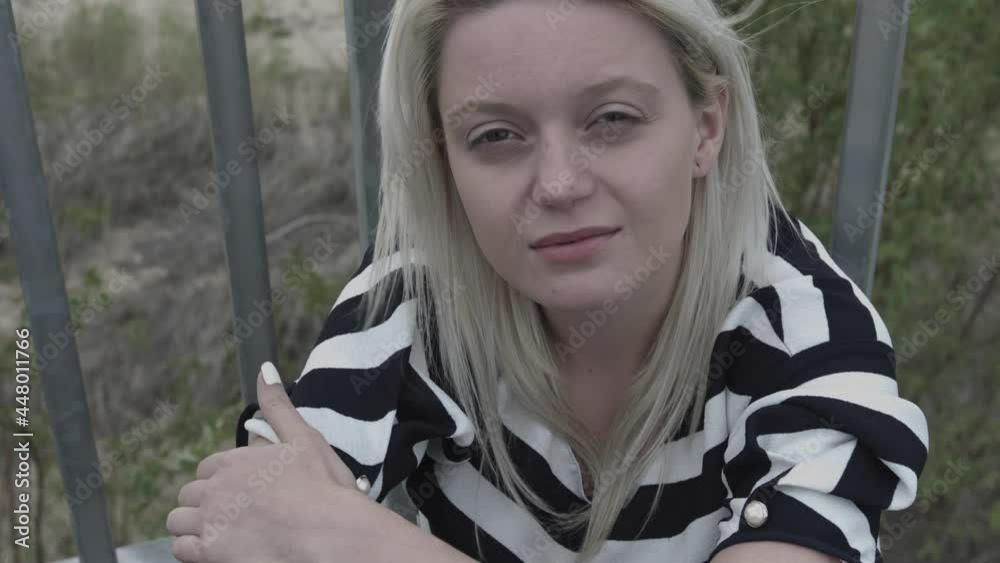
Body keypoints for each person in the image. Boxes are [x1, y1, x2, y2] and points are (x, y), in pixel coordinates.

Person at [167, 1, 929, 562]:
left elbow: (310, 532)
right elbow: (255, 516)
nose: (559, 184)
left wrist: (362, 542)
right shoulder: (416, 300)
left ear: (706, 125)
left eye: (612, 119)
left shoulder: (806, 335)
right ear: (444, 161)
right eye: (495, 135)